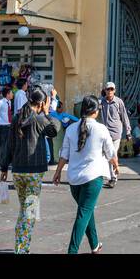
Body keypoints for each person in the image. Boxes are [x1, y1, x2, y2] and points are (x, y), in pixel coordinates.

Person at [53, 95, 116, 254]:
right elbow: (111, 154)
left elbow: (64, 154)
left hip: (74, 179)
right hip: (93, 179)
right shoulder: (101, 129)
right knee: (84, 213)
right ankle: (72, 251)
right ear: (95, 111)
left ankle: (95, 245)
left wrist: (58, 172)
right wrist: (116, 166)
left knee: (86, 211)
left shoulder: (71, 128)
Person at [1, 87, 58, 254]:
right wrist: (47, 113)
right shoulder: (39, 119)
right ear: (41, 103)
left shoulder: (18, 117)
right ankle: (22, 248)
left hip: (18, 171)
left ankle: (22, 243)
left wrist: (4, 167)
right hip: (33, 172)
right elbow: (55, 129)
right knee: (30, 212)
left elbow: (9, 144)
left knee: (24, 210)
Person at [97, 81, 132, 187]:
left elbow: (124, 117)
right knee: (104, 155)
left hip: (116, 133)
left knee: (112, 154)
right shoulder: (101, 102)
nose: (110, 91)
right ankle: (106, 175)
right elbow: (94, 110)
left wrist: (128, 131)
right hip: (104, 133)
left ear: (115, 90)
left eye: (112, 89)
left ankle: (113, 178)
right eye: (108, 89)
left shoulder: (118, 102)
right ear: (105, 90)